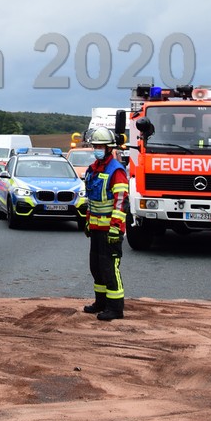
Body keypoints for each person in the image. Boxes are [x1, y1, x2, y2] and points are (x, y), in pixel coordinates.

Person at [82, 127, 129, 321]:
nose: (97, 149)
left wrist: (115, 228)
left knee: (110, 269)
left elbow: (120, 202)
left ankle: (115, 308)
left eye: (100, 146)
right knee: (97, 268)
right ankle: (100, 302)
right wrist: (87, 222)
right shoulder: (93, 169)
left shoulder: (116, 171)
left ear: (109, 148)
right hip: (96, 229)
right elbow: (92, 201)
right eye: (95, 146)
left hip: (110, 230)